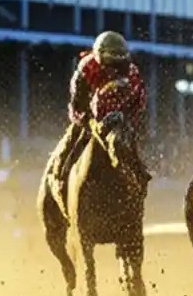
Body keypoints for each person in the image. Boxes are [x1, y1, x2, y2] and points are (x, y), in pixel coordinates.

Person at [46, 30, 146, 195]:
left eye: (119, 66)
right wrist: (88, 121)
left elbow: (139, 103)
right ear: (100, 58)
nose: (114, 71)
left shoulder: (132, 73)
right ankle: (59, 176)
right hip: (90, 119)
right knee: (72, 142)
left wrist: (130, 123)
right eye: (110, 65)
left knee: (130, 148)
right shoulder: (86, 69)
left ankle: (139, 180)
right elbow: (76, 104)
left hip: (120, 119)